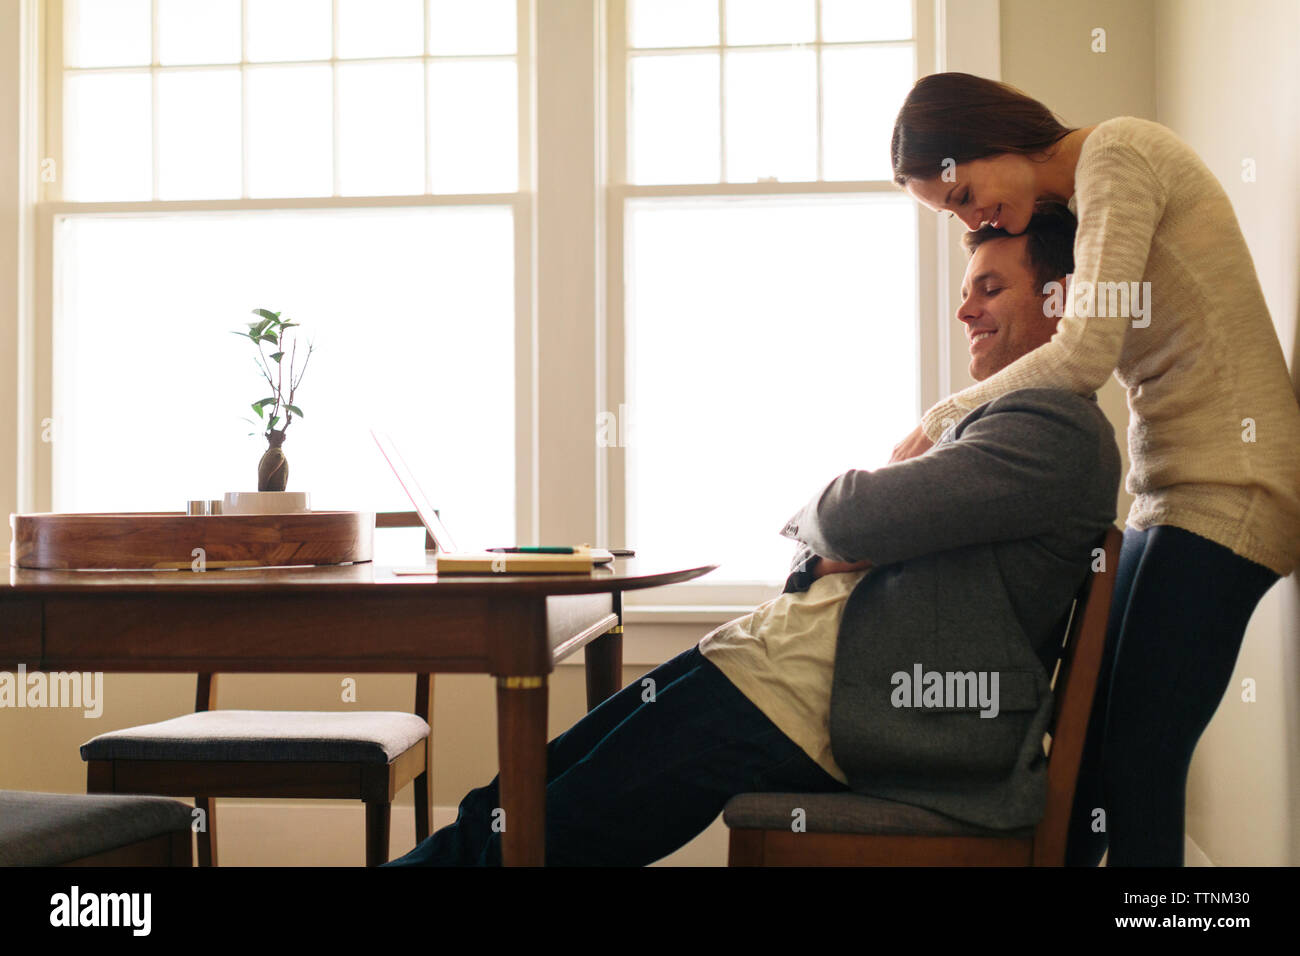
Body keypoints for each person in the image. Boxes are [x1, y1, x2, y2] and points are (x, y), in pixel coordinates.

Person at [385, 205, 1119, 866]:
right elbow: (848, 534)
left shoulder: (1050, 430)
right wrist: (850, 530)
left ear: (1061, 298)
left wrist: (854, 514)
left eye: (990, 289)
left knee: (533, 838)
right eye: (966, 290)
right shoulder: (1000, 422)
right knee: (509, 802)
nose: (964, 310)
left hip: (817, 703)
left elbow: (853, 512)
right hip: (767, 669)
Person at [888, 72, 1300, 866]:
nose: (973, 220)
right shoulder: (1076, 210)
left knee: (1141, 764)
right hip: (1168, 493)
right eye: (956, 215)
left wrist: (945, 418)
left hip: (1235, 487)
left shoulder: (1119, 154)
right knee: (1084, 758)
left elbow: (1081, 355)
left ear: (983, 138)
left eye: (965, 194)